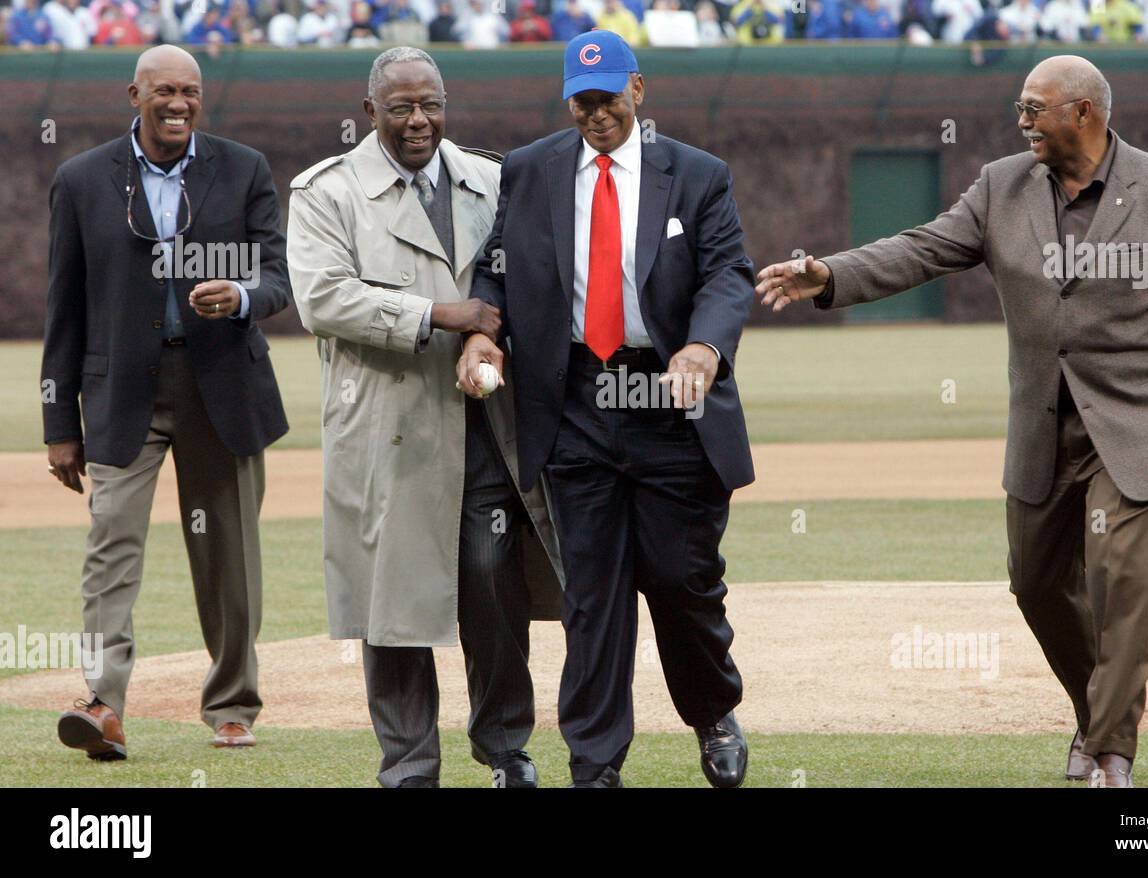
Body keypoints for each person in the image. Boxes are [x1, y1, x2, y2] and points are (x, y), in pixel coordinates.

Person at [754, 56, 1148, 788]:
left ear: (1084, 113)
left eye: (1035, 108)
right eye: (1020, 108)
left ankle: (1111, 754)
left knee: (1119, 578)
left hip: (1135, 420)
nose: (1021, 121)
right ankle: (1099, 716)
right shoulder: (1002, 187)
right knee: (1033, 582)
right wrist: (831, 274)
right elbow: (924, 247)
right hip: (1042, 424)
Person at [458, 30, 755, 788]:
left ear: (639, 91)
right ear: (568, 100)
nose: (597, 116)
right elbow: (497, 266)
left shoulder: (696, 175)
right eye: (583, 103)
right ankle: (594, 763)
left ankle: (713, 711)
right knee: (591, 594)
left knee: (682, 580)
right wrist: (485, 332)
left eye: (610, 100)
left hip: (670, 401)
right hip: (576, 401)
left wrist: (703, 349)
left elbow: (728, 274)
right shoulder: (528, 172)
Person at [287, 46, 565, 789]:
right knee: (393, 597)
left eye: (432, 104)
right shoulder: (326, 191)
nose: (420, 120)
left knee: (491, 574)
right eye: (402, 106)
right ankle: (409, 765)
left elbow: (522, 272)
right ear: (369, 111)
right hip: (387, 424)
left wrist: (485, 329)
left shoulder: (493, 177)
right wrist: (443, 313)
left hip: (484, 423)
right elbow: (323, 299)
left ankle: (506, 748)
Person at [42, 44, 291, 761]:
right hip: (123, 393)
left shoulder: (241, 168)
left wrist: (243, 295)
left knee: (227, 557)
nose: (179, 104)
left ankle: (233, 706)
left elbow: (278, 272)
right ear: (135, 96)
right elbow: (65, 311)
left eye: (191, 92)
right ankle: (103, 702)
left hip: (223, 389)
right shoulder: (82, 180)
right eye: (165, 93)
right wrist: (61, 424)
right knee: (110, 547)